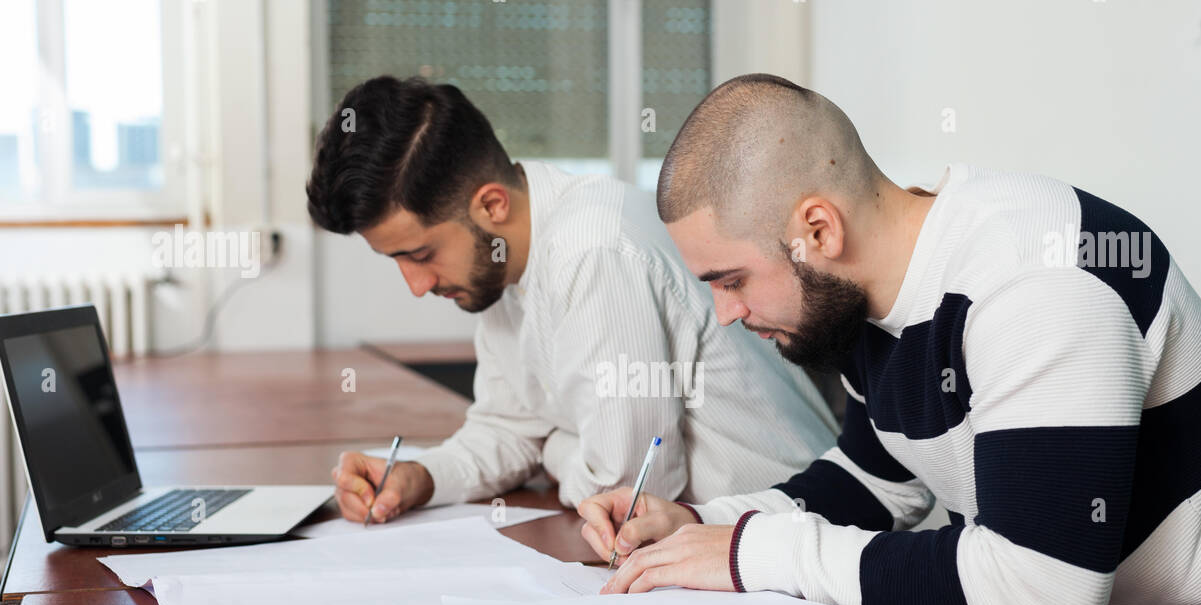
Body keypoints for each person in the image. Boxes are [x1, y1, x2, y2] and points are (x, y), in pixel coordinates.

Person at [577, 73, 1201, 605]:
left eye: (730, 281)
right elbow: (874, 478)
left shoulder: (1037, 284)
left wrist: (754, 554)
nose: (725, 315)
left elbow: (1041, 599)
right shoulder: (866, 299)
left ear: (818, 230)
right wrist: (701, 526)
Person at [306, 75, 836, 520]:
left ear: (491, 204)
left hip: (780, 544)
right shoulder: (502, 267)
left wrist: (551, 448)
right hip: (696, 551)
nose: (417, 286)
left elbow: (628, 495)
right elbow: (511, 428)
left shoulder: (594, 249)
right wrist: (421, 476)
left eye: (421, 255)